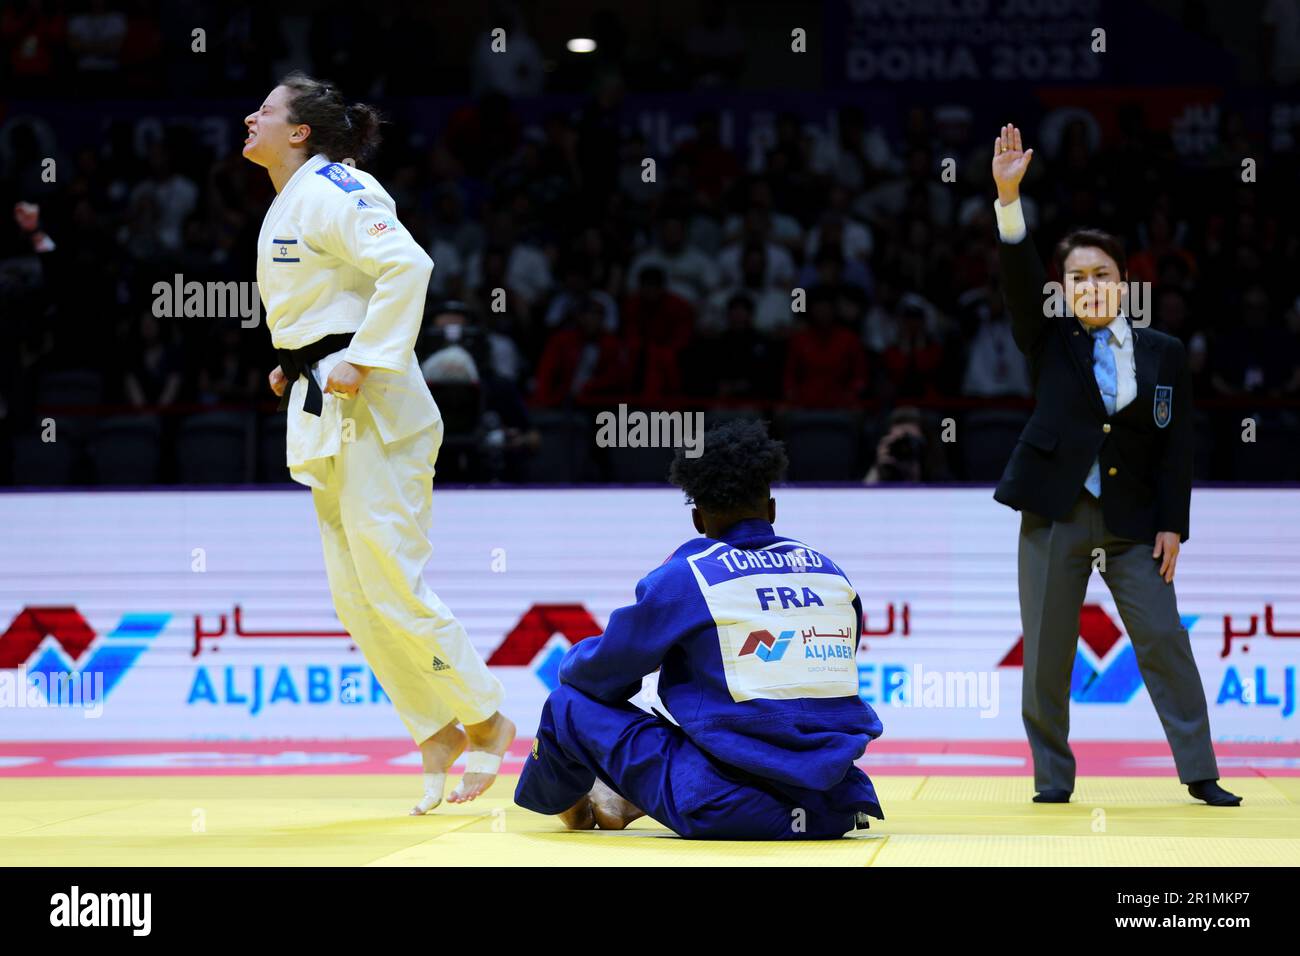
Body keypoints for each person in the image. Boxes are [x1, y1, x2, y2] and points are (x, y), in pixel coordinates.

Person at [243, 72, 514, 815]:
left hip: (376, 405)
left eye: (264, 111)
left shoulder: (334, 188)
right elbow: (329, 298)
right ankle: (434, 728)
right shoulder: (291, 199)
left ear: (299, 131)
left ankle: (488, 716)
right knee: (354, 595)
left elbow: (409, 266)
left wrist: (364, 356)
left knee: (390, 578)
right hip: (324, 399)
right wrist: (290, 358)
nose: (249, 118)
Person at [990, 124, 1239, 807]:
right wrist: (1009, 199)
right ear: (1063, 289)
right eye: (1078, 278)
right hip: (1056, 510)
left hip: (1134, 520)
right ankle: (1052, 780)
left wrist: (1173, 526)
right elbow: (1016, 280)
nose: (1091, 286)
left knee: (1163, 638)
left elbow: (1176, 447)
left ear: (1124, 283)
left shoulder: (1164, 352)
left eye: (1103, 275)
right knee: (1046, 650)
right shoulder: (1048, 340)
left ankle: (1201, 772)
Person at [514, 419, 885, 839]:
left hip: (727, 807)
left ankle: (579, 810)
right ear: (773, 509)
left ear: (697, 518)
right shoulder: (831, 573)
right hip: (834, 807)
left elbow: (597, 675)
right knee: (728, 718)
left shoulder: (686, 578)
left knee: (567, 704)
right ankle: (628, 796)